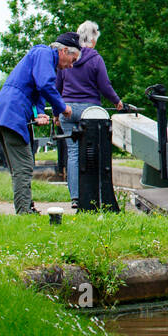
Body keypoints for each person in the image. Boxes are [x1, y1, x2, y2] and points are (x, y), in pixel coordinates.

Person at [0, 34, 78, 214]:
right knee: (24, 166)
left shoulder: (42, 58)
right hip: (12, 114)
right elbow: (45, 85)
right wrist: (62, 107)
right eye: (72, 60)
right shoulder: (44, 53)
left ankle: (26, 207)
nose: (71, 65)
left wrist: (40, 113)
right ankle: (24, 212)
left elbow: (38, 90)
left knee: (22, 164)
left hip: (6, 113)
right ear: (64, 51)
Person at [57, 20, 124, 207]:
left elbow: (57, 86)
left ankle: (76, 198)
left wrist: (56, 113)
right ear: (93, 39)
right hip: (90, 111)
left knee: (73, 153)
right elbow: (105, 86)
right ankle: (94, 195)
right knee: (94, 153)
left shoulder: (69, 55)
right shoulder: (95, 59)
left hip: (67, 109)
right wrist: (117, 102)